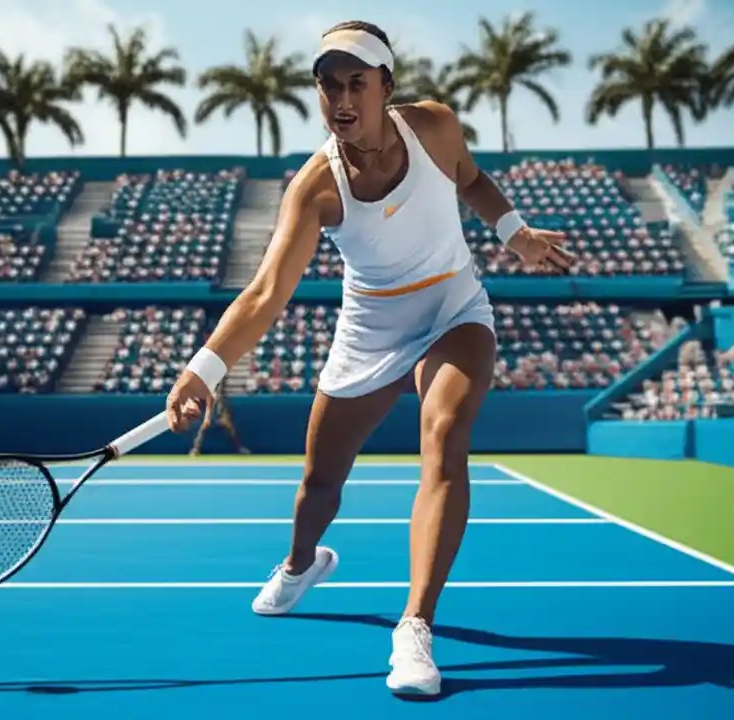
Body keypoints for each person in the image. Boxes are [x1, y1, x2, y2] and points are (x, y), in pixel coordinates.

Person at [163, 20, 575, 696]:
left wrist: (515, 233)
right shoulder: (316, 187)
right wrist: (202, 371)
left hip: (452, 307)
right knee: (319, 484)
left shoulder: (435, 127)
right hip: (370, 329)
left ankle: (414, 627)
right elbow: (267, 293)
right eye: (328, 86)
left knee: (444, 436)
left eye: (357, 83)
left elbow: (470, 177)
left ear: (387, 86)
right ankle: (301, 563)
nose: (342, 98)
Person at [189, 380, 250, 455]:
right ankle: (196, 449)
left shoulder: (222, 399)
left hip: (221, 417)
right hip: (211, 417)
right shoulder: (207, 395)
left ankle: (239, 448)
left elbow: (225, 410)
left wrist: (224, 419)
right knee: (202, 430)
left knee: (231, 429)